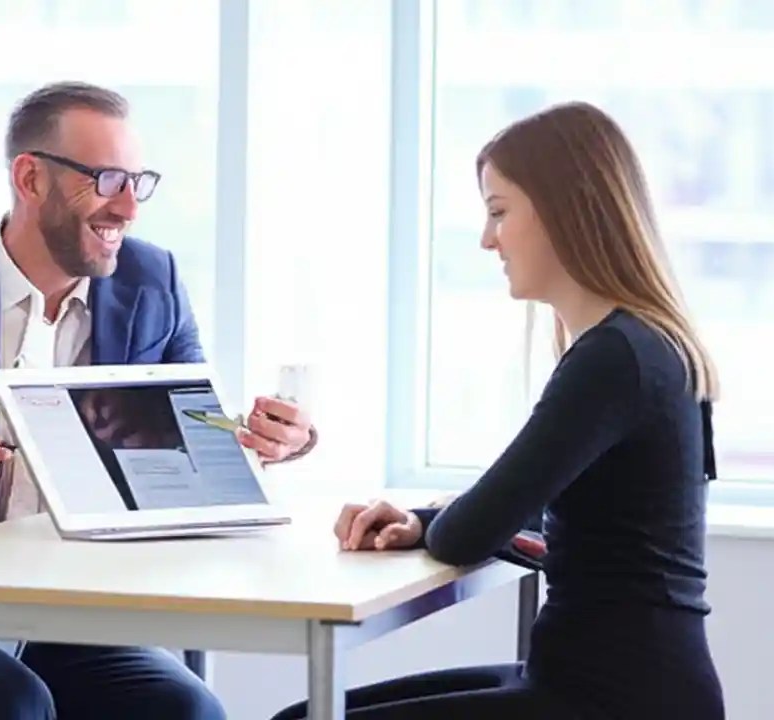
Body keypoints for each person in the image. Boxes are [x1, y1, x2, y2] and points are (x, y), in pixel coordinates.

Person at [0, 81, 317, 720]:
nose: (129, 208)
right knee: (9, 703)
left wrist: (264, 443)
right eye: (107, 180)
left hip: (64, 610)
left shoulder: (151, 281)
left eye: (139, 181)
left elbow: (194, 434)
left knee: (187, 710)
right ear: (30, 178)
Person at [281, 101, 725, 719]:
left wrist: (437, 524)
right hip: (623, 684)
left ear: (567, 211)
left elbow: (470, 532)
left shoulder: (614, 359)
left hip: (611, 699)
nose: (489, 239)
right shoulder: (645, 345)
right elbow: (544, 516)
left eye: (499, 212)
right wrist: (417, 520)